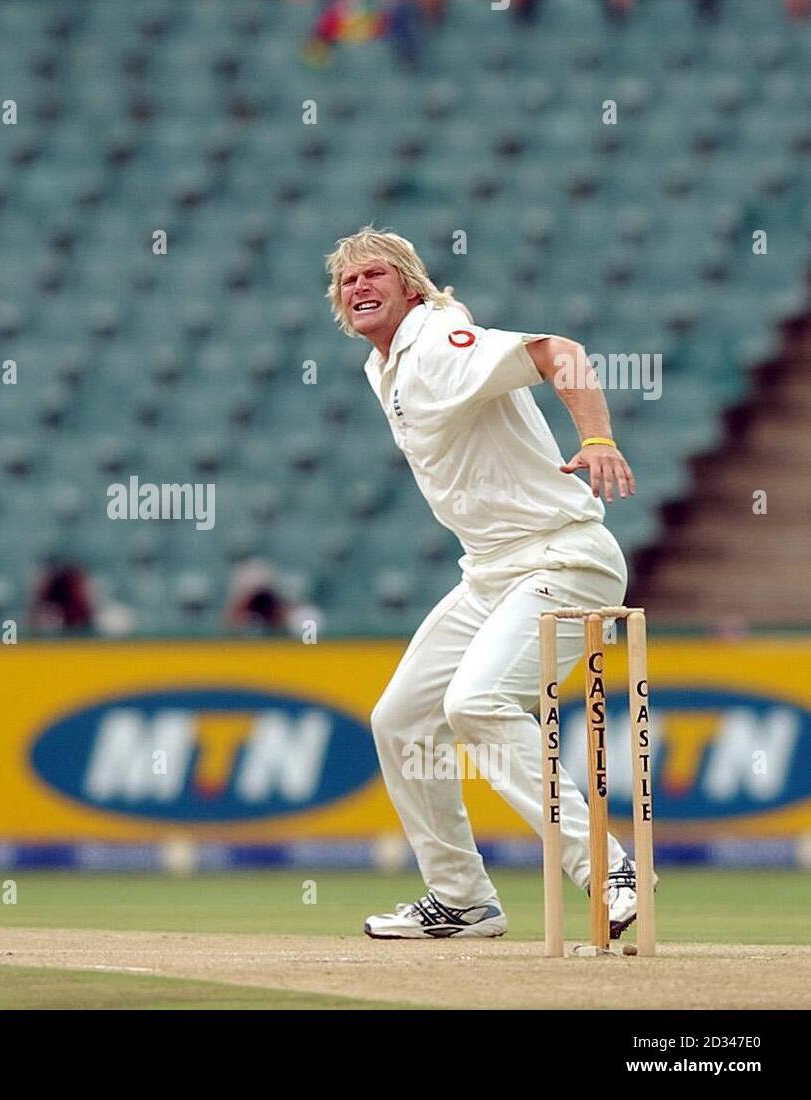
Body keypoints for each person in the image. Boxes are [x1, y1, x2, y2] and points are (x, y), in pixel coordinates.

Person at [324, 228, 646, 941]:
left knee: (476, 701)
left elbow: (560, 352)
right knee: (401, 720)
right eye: (347, 282)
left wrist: (597, 439)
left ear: (411, 285)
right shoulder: (384, 367)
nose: (359, 288)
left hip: (563, 559)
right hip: (492, 570)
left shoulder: (435, 341)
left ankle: (610, 868)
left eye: (374, 274)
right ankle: (462, 899)